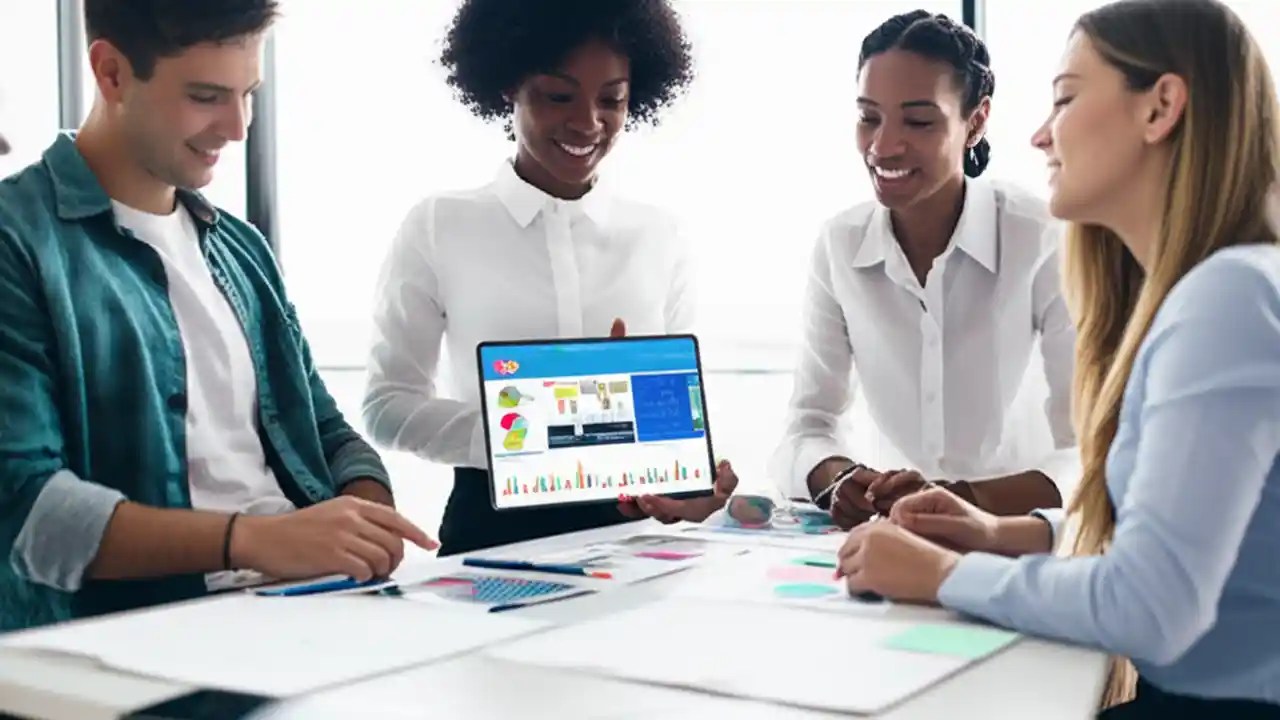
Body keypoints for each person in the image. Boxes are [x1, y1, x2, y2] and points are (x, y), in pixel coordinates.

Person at [837, 1, 1280, 716]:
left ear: (1160, 107)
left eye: (1066, 100)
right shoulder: (1225, 288)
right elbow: (1182, 537)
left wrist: (943, 575)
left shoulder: (1225, 300)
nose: (1041, 135)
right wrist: (1003, 534)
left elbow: (1151, 605)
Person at [0, 0, 434, 633]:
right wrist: (256, 540)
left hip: (317, 605)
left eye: (248, 95)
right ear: (111, 72)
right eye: (205, 96)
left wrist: (364, 519)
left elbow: (325, 430)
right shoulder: (16, 240)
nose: (237, 128)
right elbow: (27, 509)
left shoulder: (240, 247)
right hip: (147, 635)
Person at [363, 0, 731, 556]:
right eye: (559, 96)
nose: (588, 122)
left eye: (612, 100)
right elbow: (386, 406)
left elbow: (678, 422)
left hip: (633, 544)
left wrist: (694, 485)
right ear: (508, 86)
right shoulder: (440, 224)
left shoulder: (659, 236)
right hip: (490, 537)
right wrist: (533, 432)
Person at [706, 11, 1076, 531]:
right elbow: (807, 428)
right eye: (869, 117)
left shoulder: (1043, 239)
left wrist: (961, 500)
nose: (883, 146)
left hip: (1017, 542)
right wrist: (839, 479)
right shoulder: (840, 245)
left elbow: (1090, 453)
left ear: (975, 122)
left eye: (918, 122)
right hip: (887, 541)